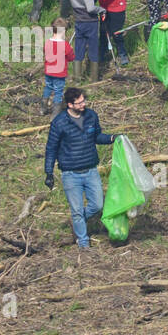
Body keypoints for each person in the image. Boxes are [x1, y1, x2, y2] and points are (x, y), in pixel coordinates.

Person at [44, 87, 115, 249]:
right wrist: (48, 172)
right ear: (70, 105)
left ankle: (77, 221)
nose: (84, 104)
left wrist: (112, 138)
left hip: (91, 170)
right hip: (70, 174)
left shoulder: (91, 116)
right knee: (76, 210)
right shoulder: (59, 122)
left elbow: (97, 136)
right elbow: (51, 148)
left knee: (97, 205)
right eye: (79, 102)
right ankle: (83, 243)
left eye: (84, 100)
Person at [67, 0, 103, 83]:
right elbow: (91, 8)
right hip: (90, 22)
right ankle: (94, 79)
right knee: (93, 48)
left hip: (78, 20)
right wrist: (102, 9)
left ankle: (77, 78)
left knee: (79, 47)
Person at [42, 17, 74, 116]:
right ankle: (55, 113)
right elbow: (71, 57)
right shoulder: (65, 45)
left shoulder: (48, 42)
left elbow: (45, 52)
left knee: (48, 87)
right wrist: (70, 51)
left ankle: (43, 108)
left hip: (49, 71)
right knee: (58, 92)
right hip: (59, 74)